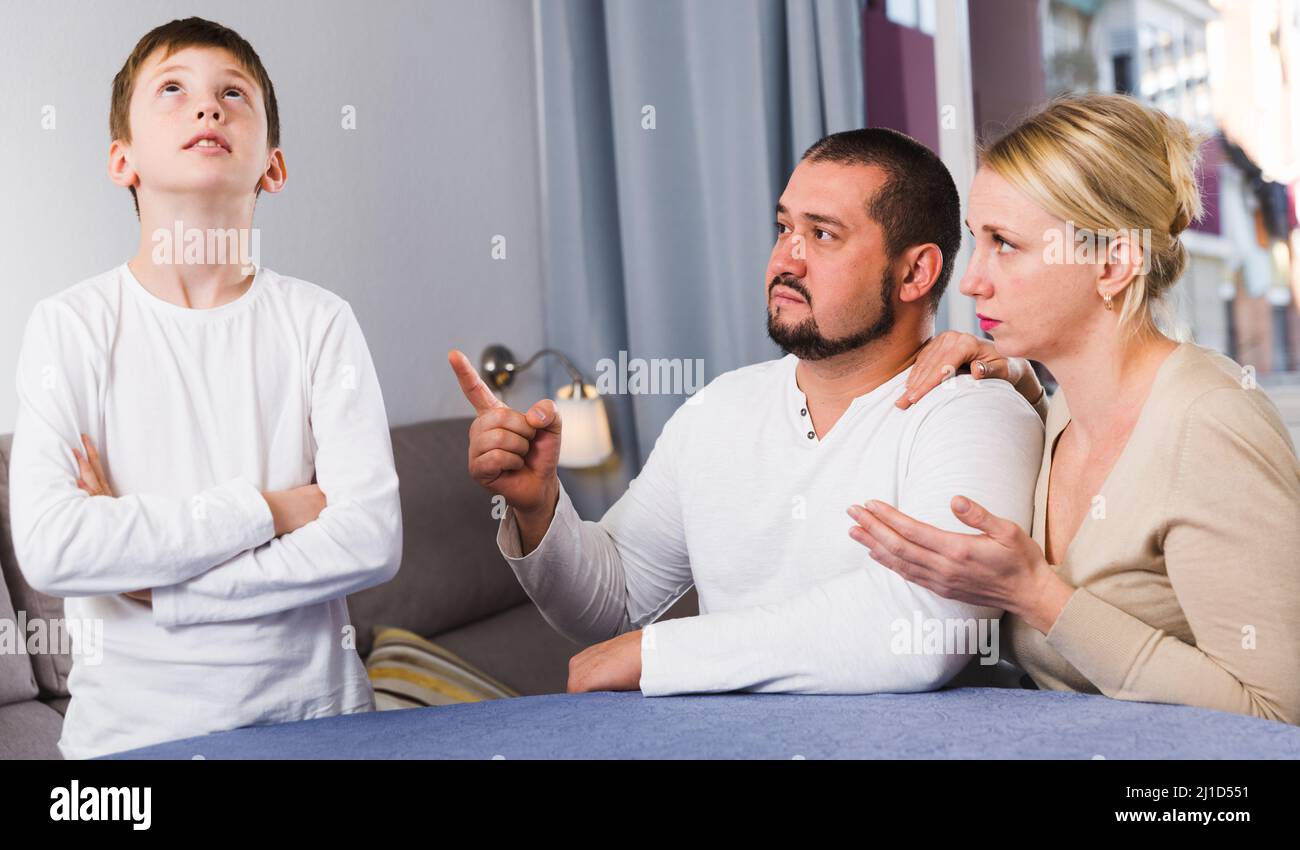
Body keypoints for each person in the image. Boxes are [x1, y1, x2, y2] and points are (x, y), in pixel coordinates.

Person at [449, 127, 1044, 697]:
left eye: (823, 234)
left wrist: (662, 654)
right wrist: (538, 507)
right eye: (784, 228)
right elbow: (613, 603)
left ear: (914, 272)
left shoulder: (973, 413)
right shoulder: (718, 410)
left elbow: (922, 631)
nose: (788, 259)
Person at [8, 17, 402, 758]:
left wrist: (160, 589)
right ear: (122, 159)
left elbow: (371, 540)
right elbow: (56, 547)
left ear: (273, 167)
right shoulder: (69, 327)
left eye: (233, 93)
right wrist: (271, 510)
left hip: (323, 728)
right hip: (129, 747)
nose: (207, 107)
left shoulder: (322, 321)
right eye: (172, 89)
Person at [853, 93, 1300, 724]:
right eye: (977, 241)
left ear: (1113, 263)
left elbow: (1279, 716)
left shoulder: (1212, 426)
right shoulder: (1065, 407)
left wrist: (1034, 594)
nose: (973, 280)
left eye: (1006, 244)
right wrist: (1020, 386)